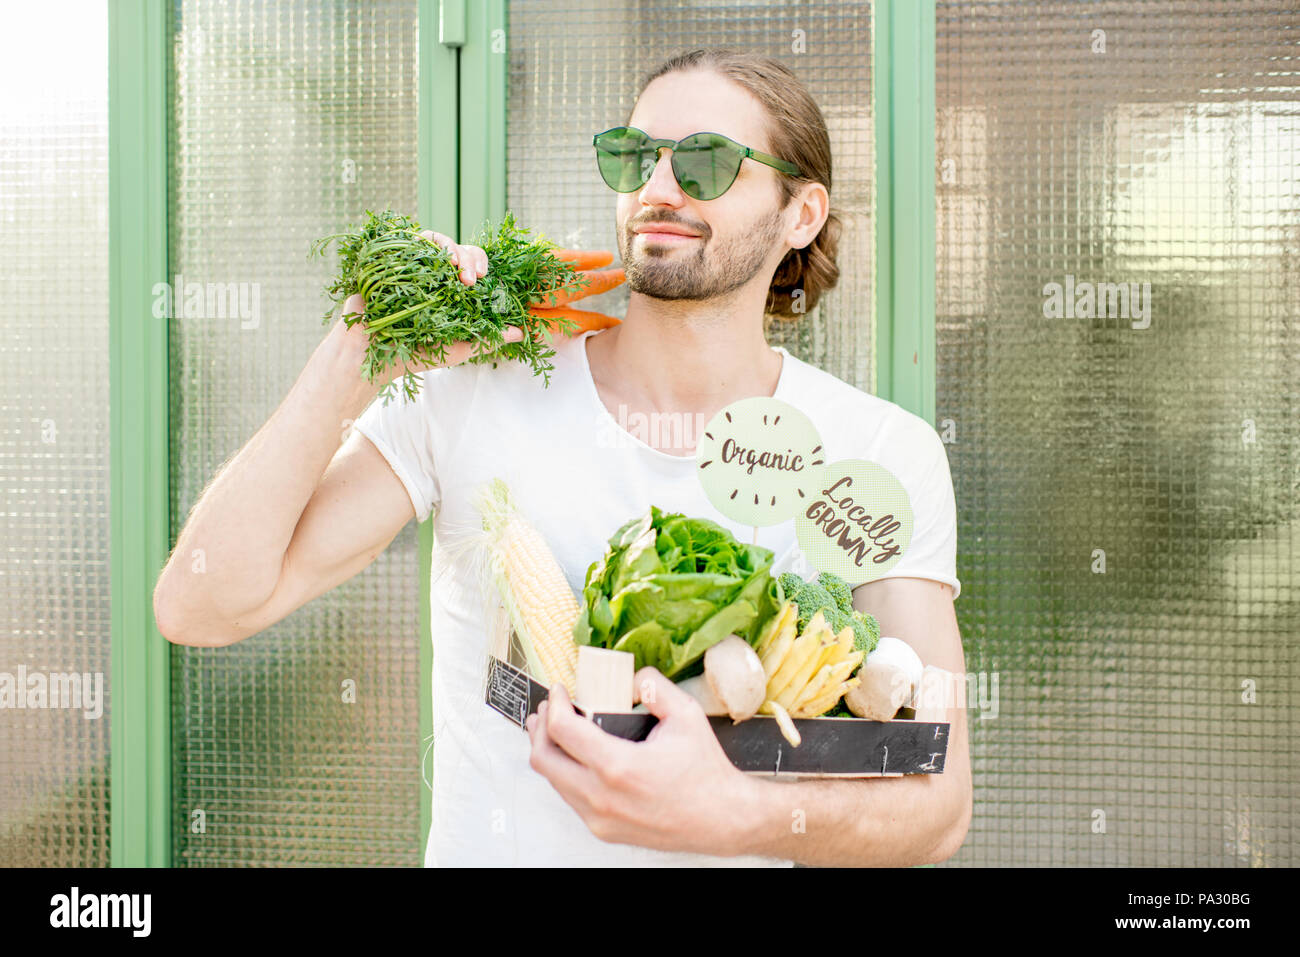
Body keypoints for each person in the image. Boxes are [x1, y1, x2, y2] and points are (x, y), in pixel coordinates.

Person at [153, 47, 972, 868]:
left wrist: (734, 814)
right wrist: (355, 358)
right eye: (634, 155)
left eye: (706, 161)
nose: (657, 188)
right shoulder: (472, 388)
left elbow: (935, 810)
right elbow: (202, 605)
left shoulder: (873, 454)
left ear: (802, 213)